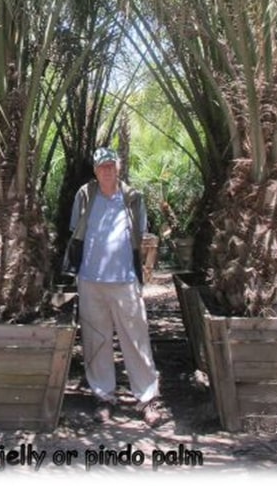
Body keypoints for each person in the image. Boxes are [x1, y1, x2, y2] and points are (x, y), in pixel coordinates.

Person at [67, 146, 164, 426]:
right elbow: (75, 231)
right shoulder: (85, 195)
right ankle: (104, 398)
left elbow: (140, 234)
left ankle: (146, 400)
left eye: (111, 165)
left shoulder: (133, 198)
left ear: (118, 167)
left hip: (124, 282)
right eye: (101, 166)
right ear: (95, 170)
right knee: (96, 343)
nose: (107, 170)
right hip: (90, 281)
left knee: (136, 341)